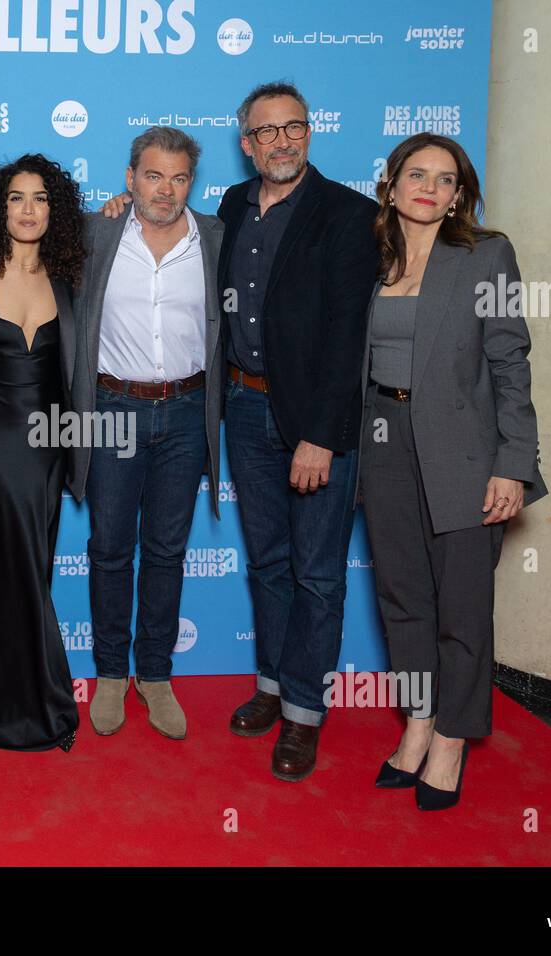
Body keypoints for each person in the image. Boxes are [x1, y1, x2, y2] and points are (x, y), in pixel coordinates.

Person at [362, 133, 546, 810]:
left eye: (445, 179)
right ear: (392, 184)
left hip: (465, 452)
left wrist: (513, 464)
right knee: (404, 601)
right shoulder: (371, 253)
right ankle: (416, 724)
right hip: (382, 440)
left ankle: (452, 739)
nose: (429, 188)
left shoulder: (485, 255)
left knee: (462, 607)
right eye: (417, 174)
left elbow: (510, 364)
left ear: (459, 195)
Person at [216, 82, 379, 782]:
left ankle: (305, 714)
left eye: (295, 128)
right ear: (247, 143)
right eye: (267, 131)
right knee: (268, 564)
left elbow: (350, 334)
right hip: (244, 410)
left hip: (313, 422)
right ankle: (274, 686)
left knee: (316, 574)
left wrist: (321, 435)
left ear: (309, 134)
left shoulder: (350, 214)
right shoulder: (230, 207)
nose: (282, 141)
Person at [76, 127, 225, 740]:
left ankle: (155, 674)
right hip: (114, 408)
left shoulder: (217, 237)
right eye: (154, 176)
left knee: (167, 549)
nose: (166, 190)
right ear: (131, 178)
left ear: (193, 181)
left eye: (180, 177)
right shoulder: (96, 232)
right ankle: (111, 672)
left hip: (189, 412)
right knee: (111, 547)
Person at [0, 154, 88, 752]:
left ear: (54, 210)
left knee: (34, 566)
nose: (28, 209)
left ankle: (12, 701)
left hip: (51, 445)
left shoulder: (71, 276)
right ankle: (22, 706)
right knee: (6, 568)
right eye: (15, 197)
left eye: (40, 198)